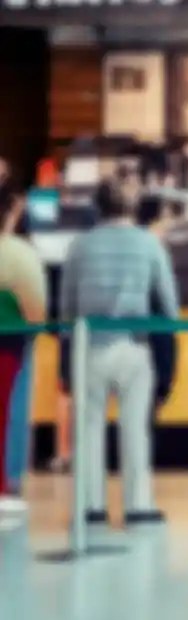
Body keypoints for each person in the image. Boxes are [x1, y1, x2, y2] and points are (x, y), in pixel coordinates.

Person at [61, 175, 179, 526]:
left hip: (89, 345)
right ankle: (138, 505)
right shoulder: (149, 243)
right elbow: (170, 306)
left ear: (97, 206)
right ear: (133, 207)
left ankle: (91, 506)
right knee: (134, 426)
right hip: (134, 344)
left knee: (90, 427)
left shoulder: (79, 246)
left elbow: (67, 306)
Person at [0, 183, 46, 516]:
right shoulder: (19, 253)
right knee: (11, 411)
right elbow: (36, 315)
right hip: (9, 346)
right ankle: (9, 480)